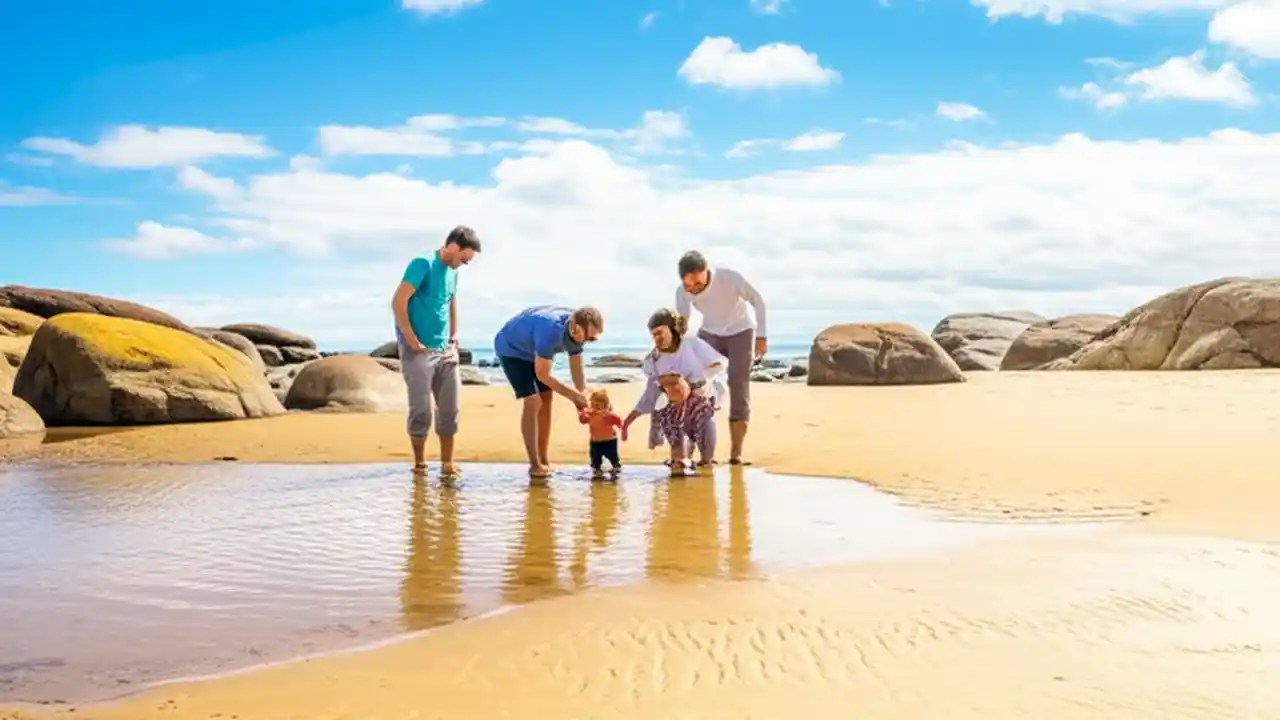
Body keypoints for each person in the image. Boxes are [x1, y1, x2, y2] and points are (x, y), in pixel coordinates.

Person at [390, 225, 481, 477]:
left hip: (446, 350)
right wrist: (410, 339)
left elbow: (451, 300)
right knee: (421, 411)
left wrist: (455, 334)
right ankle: (420, 464)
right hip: (418, 351)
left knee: (450, 411)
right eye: (465, 257)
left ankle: (447, 465)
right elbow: (398, 303)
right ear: (454, 247)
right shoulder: (423, 263)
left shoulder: (453, 273)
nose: (465, 263)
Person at [674, 251, 766, 466]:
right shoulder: (682, 292)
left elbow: (758, 301)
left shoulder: (729, 278)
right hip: (709, 332)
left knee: (738, 383)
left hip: (741, 330)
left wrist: (762, 336)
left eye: (697, 283)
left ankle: (736, 453)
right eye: (689, 286)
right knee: (696, 384)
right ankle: (693, 450)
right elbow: (682, 323)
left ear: (706, 271)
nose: (693, 289)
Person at [493, 305, 604, 480]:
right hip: (511, 348)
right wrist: (572, 396)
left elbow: (576, 368)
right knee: (533, 400)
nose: (583, 340)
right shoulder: (550, 330)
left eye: (591, 339)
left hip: (533, 350)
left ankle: (544, 459)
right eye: (584, 336)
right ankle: (535, 464)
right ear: (574, 325)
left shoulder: (579, 332)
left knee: (547, 398)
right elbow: (542, 375)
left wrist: (582, 396)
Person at [622, 308, 727, 476]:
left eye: (660, 332)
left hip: (701, 397)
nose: (657, 338)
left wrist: (695, 381)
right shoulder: (653, 360)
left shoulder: (691, 344)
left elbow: (719, 364)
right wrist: (629, 420)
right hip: (673, 404)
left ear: (673, 329)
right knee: (678, 450)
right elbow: (650, 393)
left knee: (706, 446)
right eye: (653, 335)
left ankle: (706, 465)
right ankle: (679, 462)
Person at [578, 387, 624, 478]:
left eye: (599, 402)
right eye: (593, 402)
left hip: (609, 441)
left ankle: (616, 470)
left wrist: (622, 427)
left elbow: (619, 421)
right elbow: (583, 420)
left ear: (605, 404)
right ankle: (597, 471)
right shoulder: (590, 415)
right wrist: (582, 414)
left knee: (613, 458)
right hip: (595, 442)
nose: (595, 404)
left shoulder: (608, 414)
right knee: (595, 461)